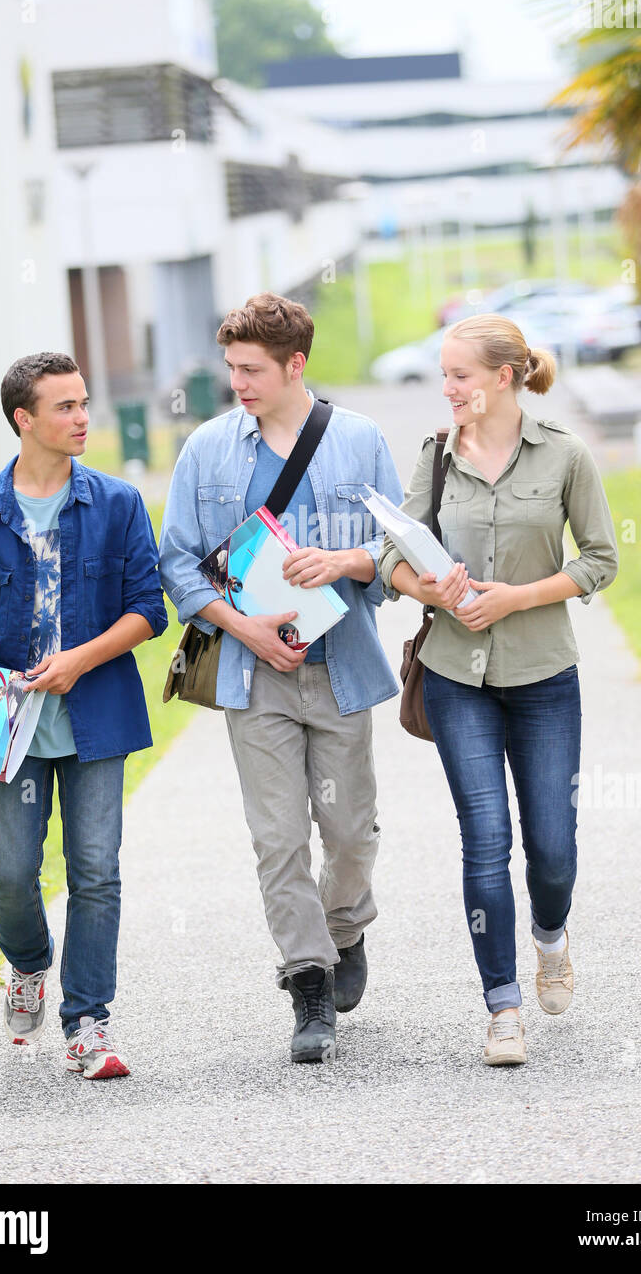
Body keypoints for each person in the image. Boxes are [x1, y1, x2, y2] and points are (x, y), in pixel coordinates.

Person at [158, 292, 403, 1064]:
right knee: (277, 839)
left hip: (340, 671)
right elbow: (177, 562)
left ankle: (345, 927)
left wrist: (349, 561)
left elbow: (398, 559)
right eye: (231, 367)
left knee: (351, 833)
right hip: (250, 676)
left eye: (252, 368)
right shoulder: (206, 449)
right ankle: (308, 985)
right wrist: (247, 630)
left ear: (296, 364)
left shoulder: (360, 442)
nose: (238, 381)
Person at [378, 314, 618, 1066]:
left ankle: (551, 938)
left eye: (461, 376)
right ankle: (501, 1007)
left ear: (505, 377)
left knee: (552, 848)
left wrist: (515, 597)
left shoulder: (565, 455)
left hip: (545, 673)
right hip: (456, 678)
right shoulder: (437, 458)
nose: (447, 389)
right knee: (485, 841)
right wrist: (433, 588)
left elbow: (600, 560)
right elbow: (389, 556)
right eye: (445, 376)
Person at [0, 352, 167, 1079]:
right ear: (22, 419)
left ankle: (88, 1021)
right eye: (64, 407)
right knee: (10, 870)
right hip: (10, 730)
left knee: (96, 870)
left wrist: (79, 660)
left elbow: (148, 611)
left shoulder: (119, 502)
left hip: (96, 717)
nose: (83, 418)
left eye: (85, 403)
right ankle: (29, 963)